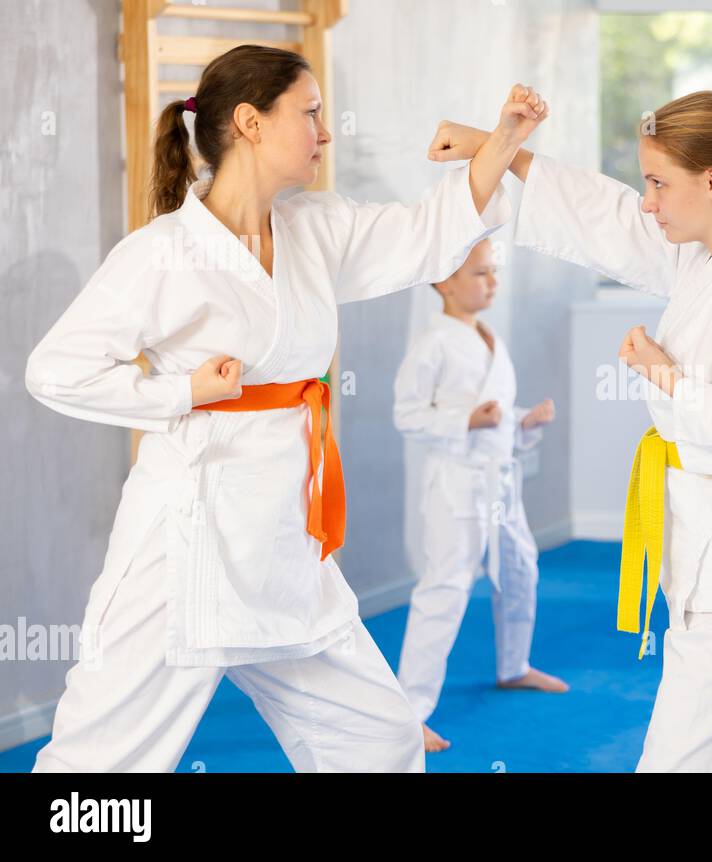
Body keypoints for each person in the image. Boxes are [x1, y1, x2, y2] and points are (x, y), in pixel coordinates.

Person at [23, 43, 545, 770]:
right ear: (249, 123)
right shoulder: (162, 251)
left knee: (379, 740)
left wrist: (506, 140)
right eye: (311, 114)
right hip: (184, 549)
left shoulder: (315, 229)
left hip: (286, 545)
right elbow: (54, 370)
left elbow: (427, 237)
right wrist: (180, 391)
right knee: (99, 763)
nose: (326, 133)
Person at [431, 90, 712, 772]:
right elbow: (610, 221)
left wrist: (669, 377)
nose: (647, 200)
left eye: (658, 184)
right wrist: (501, 150)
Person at [393, 238, 567, 754]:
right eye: (481, 274)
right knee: (444, 589)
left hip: (499, 480)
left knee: (520, 569)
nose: (493, 282)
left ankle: (514, 666)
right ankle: (409, 714)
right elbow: (408, 414)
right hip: (455, 484)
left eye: (494, 272)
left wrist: (521, 422)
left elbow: (494, 417)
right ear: (444, 283)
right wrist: (464, 420)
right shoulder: (433, 343)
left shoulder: (489, 336)